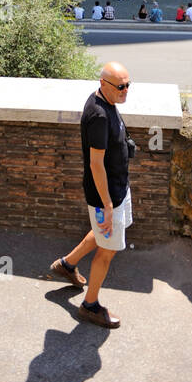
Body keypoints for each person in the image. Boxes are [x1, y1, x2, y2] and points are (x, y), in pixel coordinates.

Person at [48, 61, 133, 329]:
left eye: (128, 84)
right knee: (107, 250)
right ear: (103, 85)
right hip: (107, 197)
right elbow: (96, 164)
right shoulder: (98, 115)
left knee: (101, 233)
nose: (126, 90)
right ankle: (90, 306)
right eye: (121, 86)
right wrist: (107, 205)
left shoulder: (106, 103)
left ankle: (66, 264)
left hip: (117, 189)